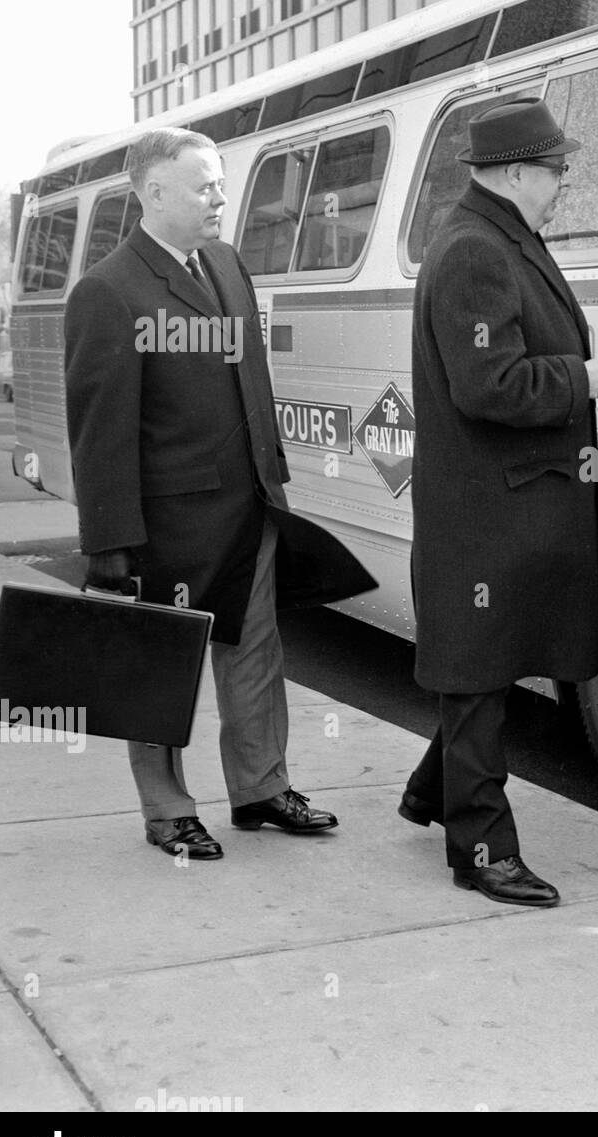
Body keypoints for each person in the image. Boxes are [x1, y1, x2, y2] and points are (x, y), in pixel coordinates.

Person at [65, 127, 373, 862]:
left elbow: (250, 381)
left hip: (249, 509)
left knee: (257, 656)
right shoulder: (108, 291)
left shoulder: (228, 265)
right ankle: (167, 808)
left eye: (221, 182)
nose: (222, 198)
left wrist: (272, 478)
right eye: (205, 185)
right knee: (159, 667)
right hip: (165, 524)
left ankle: (262, 787)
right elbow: (101, 434)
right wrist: (109, 545)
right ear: (155, 192)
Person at [403, 98, 598, 909]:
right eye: (556, 168)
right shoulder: (477, 249)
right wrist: (583, 378)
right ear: (513, 174)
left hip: (506, 507)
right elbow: (486, 385)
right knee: (475, 674)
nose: (564, 182)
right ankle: (479, 849)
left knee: (488, 665)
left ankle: (432, 793)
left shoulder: (499, 238)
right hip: (487, 516)